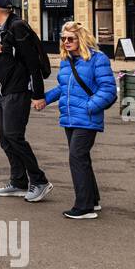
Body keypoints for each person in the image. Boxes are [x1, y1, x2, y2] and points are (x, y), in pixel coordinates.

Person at [35, 21, 118, 219]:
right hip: (70, 118)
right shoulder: (67, 61)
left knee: (77, 158)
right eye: (63, 38)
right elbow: (63, 88)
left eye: (70, 38)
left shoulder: (98, 59)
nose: (65, 42)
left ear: (81, 38)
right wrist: (44, 99)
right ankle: (93, 200)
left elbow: (108, 90)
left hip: (86, 117)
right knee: (82, 159)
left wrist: (89, 107)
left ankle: (84, 207)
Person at [0, 0, 51, 202]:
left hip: (18, 91)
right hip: (2, 91)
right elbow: (1, 56)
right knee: (5, 139)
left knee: (14, 136)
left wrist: (38, 94)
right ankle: (19, 182)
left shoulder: (17, 27)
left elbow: (32, 62)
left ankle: (39, 181)